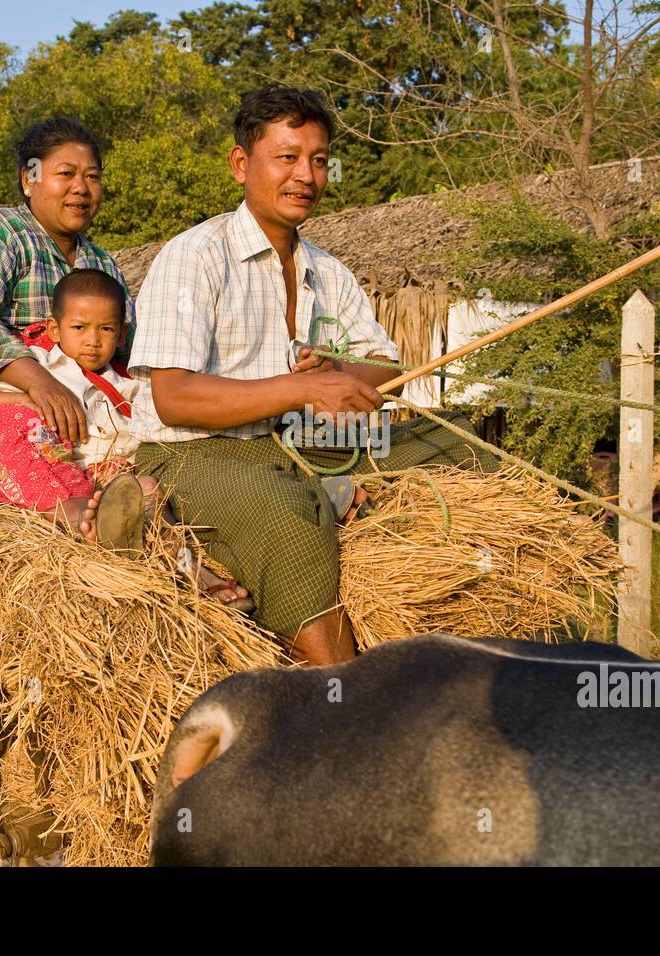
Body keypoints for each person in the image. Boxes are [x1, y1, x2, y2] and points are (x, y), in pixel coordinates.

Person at [129, 85, 496, 666]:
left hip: (309, 442)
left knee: (459, 439)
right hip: (196, 452)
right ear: (240, 164)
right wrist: (300, 387)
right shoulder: (194, 255)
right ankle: (346, 704)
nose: (306, 175)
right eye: (287, 157)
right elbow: (174, 398)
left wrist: (334, 372)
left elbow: (383, 365)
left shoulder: (328, 270)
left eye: (319, 160)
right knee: (287, 517)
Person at [0, 116, 251, 607]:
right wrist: (40, 384)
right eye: (66, 174)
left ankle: (186, 565)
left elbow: (133, 349)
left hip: (81, 398)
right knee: (23, 423)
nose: (81, 188)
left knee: (147, 472)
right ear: (30, 178)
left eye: (92, 176)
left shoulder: (101, 264)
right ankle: (73, 514)